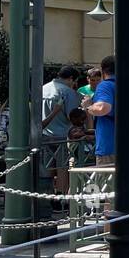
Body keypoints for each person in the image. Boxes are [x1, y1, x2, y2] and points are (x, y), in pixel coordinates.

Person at [41, 66, 82, 195]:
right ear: (71, 79)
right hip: (63, 135)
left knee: (46, 168)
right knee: (62, 167)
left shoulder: (43, 88)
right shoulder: (68, 92)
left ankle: (46, 196)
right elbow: (73, 117)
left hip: (44, 135)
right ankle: (61, 197)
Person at [85, 55, 117, 166]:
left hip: (108, 146)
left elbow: (102, 108)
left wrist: (88, 106)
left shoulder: (105, 86)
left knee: (107, 182)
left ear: (103, 71)